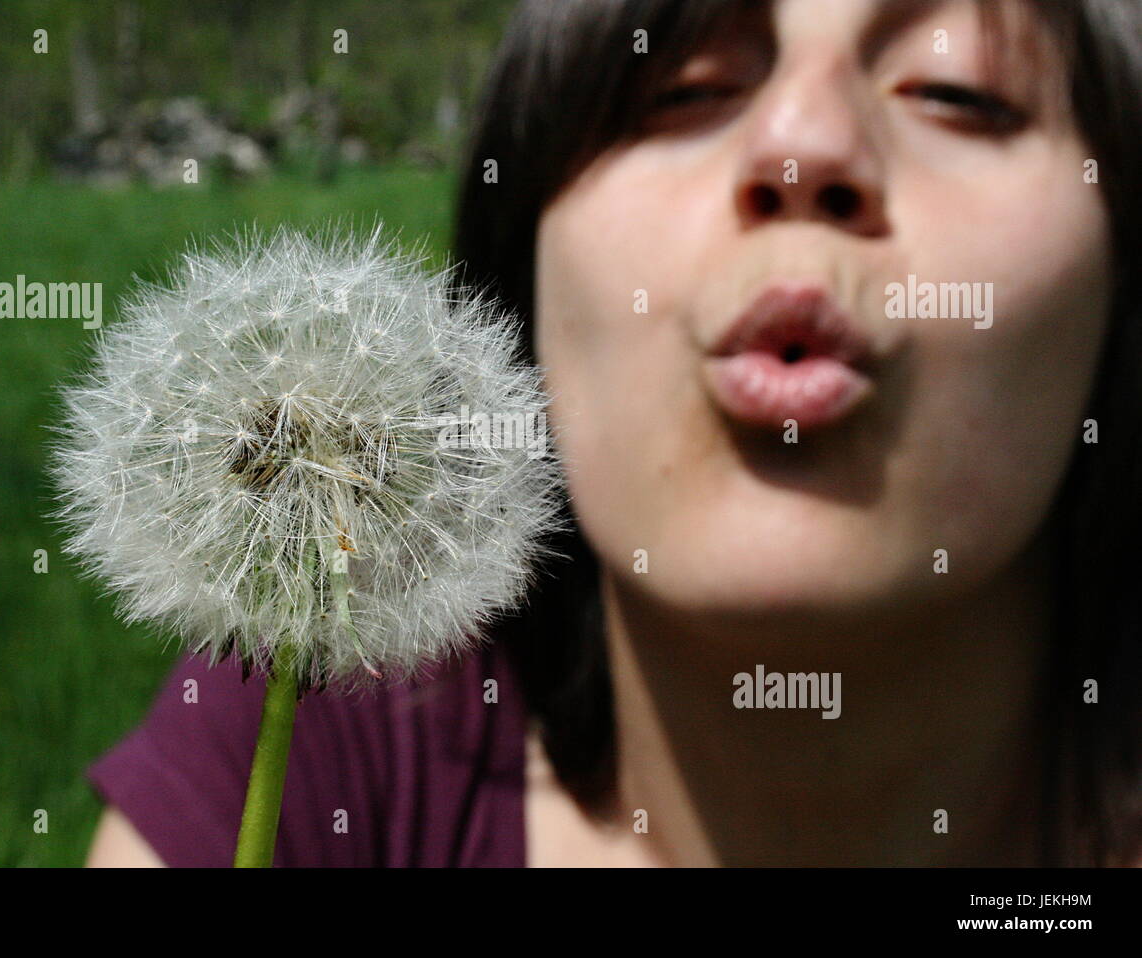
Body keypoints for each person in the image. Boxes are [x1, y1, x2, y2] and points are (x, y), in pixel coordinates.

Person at [86, 0, 1142, 867]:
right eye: (680, 90)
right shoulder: (316, 736)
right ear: (522, 270)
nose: (802, 146)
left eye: (954, 91)